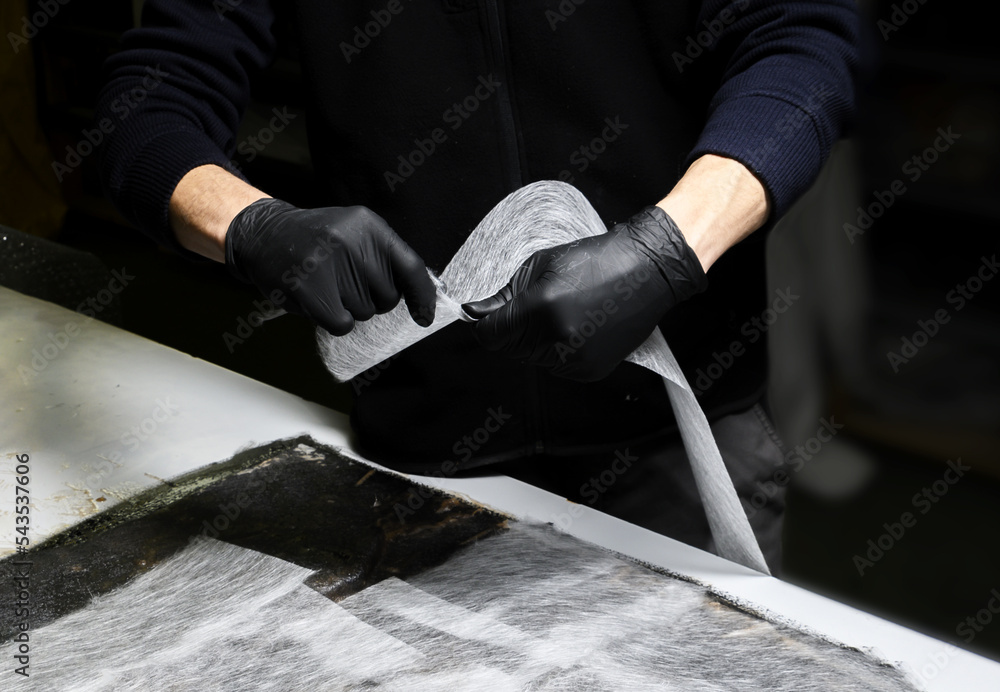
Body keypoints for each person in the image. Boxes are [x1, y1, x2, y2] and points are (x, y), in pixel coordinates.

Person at [95, 1, 859, 572]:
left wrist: (667, 248)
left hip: (678, 454)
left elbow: (807, 41)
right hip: (423, 464)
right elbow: (152, 99)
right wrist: (251, 224)